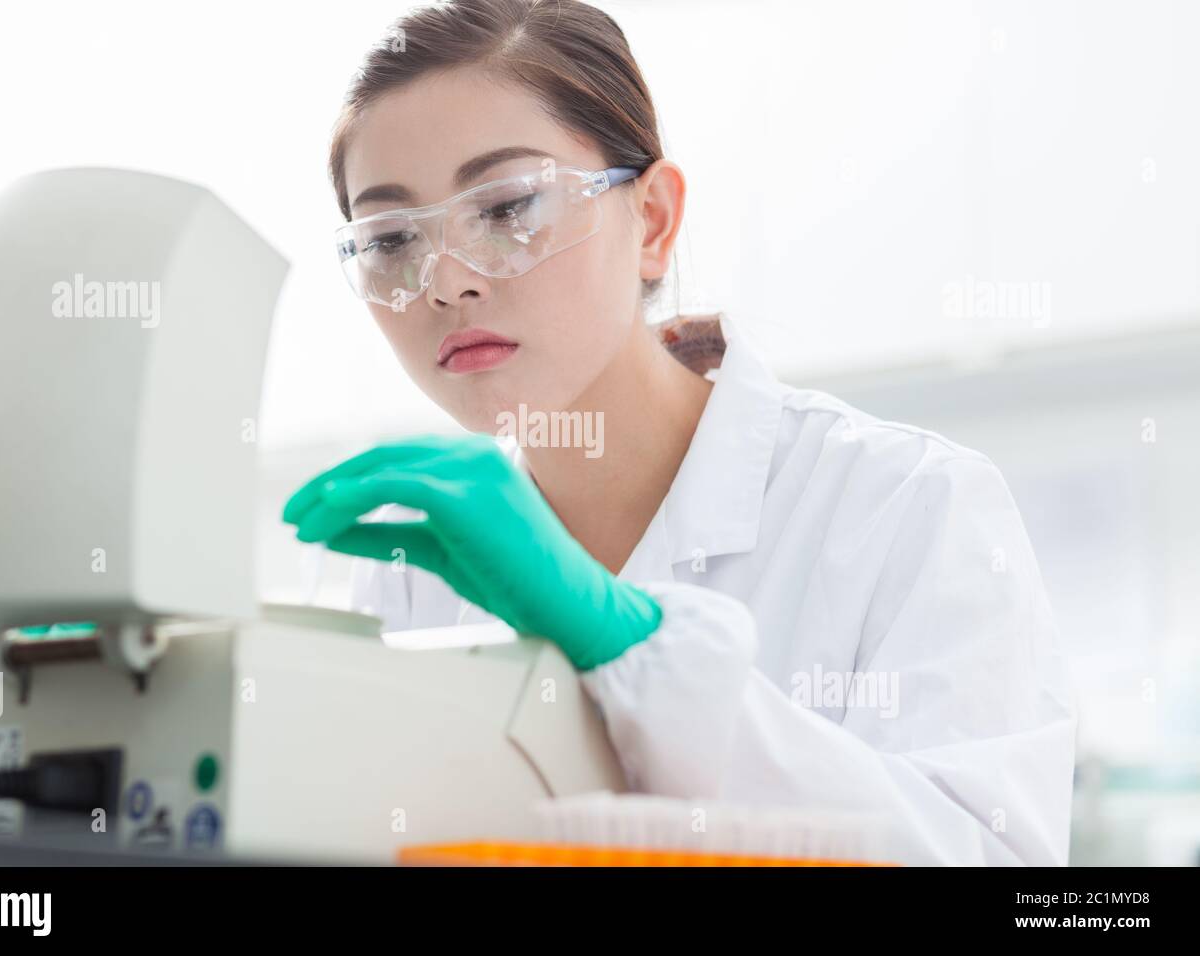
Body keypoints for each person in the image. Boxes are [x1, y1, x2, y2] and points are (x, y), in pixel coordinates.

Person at [282, 0, 1077, 865]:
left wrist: (639, 653)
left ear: (653, 221)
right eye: (393, 238)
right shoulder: (396, 568)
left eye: (508, 208)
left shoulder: (909, 509)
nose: (447, 283)